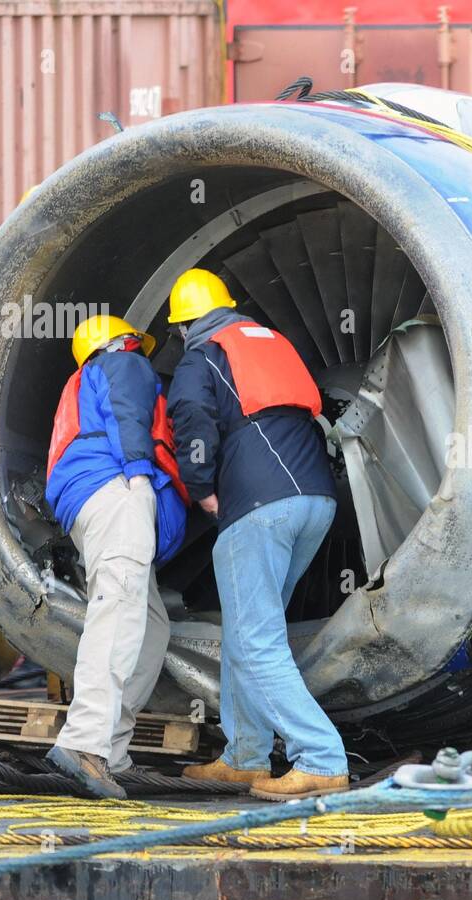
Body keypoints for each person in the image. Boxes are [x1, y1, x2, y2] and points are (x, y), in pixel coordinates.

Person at [166, 268, 347, 801]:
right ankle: (244, 755)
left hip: (260, 508)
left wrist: (202, 489)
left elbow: (191, 418)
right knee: (248, 631)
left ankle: (320, 757)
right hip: (316, 500)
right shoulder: (271, 343)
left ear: (187, 325)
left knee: (256, 639)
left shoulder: (201, 357)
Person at [43, 314, 189, 799]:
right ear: (123, 341)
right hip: (117, 490)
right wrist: (140, 476)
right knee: (118, 614)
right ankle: (83, 743)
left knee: (150, 624)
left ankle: (111, 749)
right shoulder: (122, 364)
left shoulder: (79, 385)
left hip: (95, 501)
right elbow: (128, 414)